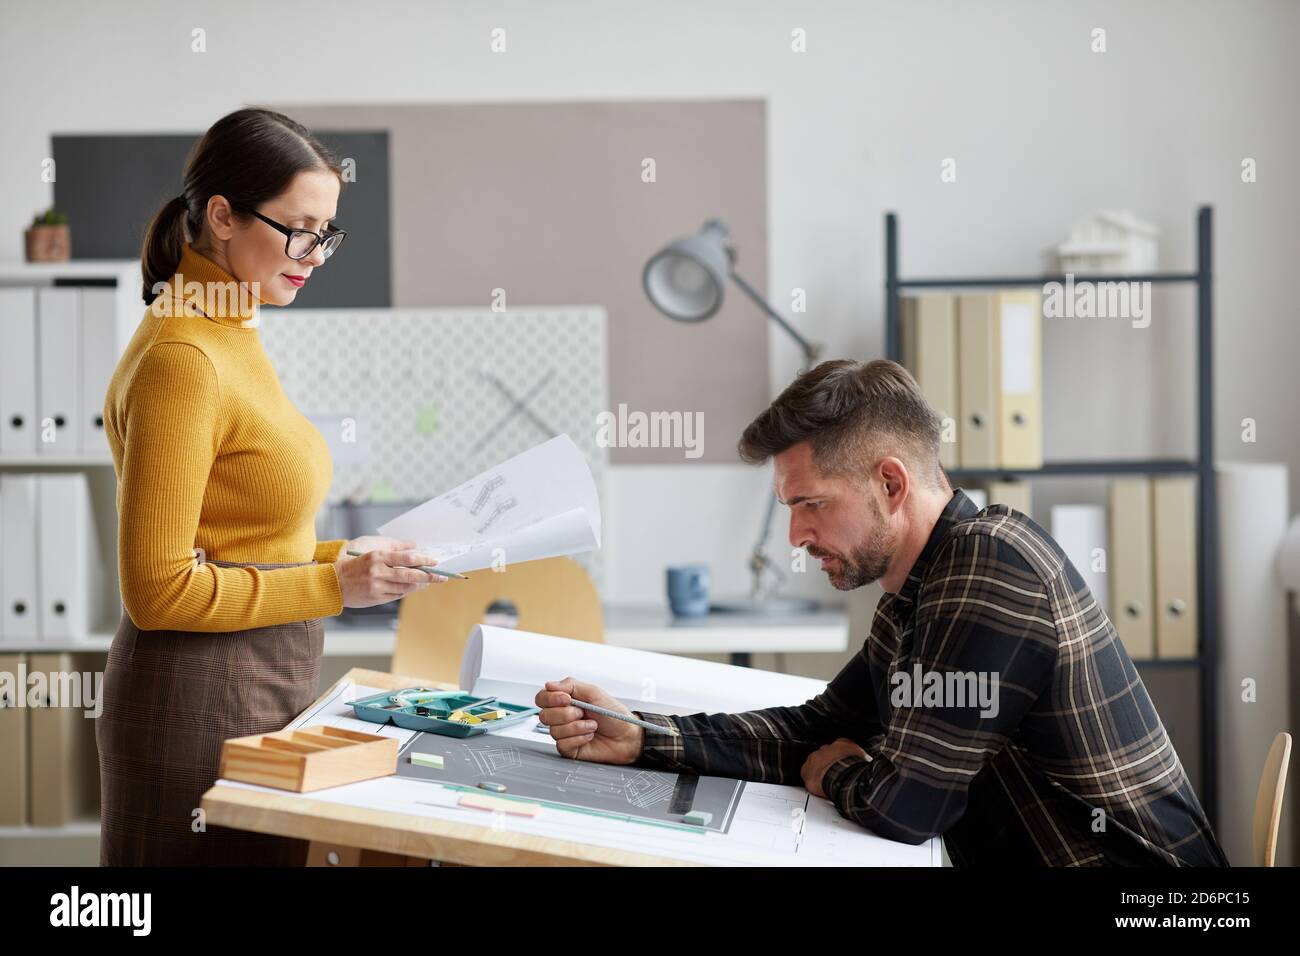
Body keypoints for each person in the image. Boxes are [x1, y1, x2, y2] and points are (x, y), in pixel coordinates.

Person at [536, 358, 1229, 866]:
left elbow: (905, 807)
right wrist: (640, 735)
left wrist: (837, 770)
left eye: (811, 504)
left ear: (890, 483)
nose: (796, 538)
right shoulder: (918, 590)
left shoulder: (989, 566)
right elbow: (820, 727)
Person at [98, 107, 448, 866]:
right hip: (198, 696)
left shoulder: (229, 330)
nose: (316, 254)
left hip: (257, 678)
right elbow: (158, 589)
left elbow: (241, 539)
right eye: (299, 229)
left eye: (327, 232)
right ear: (221, 215)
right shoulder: (185, 356)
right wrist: (335, 585)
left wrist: (344, 556)